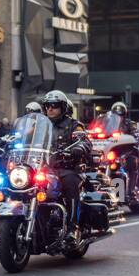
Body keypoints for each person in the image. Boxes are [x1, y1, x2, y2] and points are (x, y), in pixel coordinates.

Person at [41, 90, 93, 225]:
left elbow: (85, 142)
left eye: (54, 105)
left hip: (67, 168)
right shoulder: (40, 126)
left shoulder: (74, 125)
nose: (50, 109)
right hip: (45, 169)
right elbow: (25, 138)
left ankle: (72, 225)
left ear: (63, 107)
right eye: (47, 106)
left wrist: (78, 148)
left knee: (70, 184)